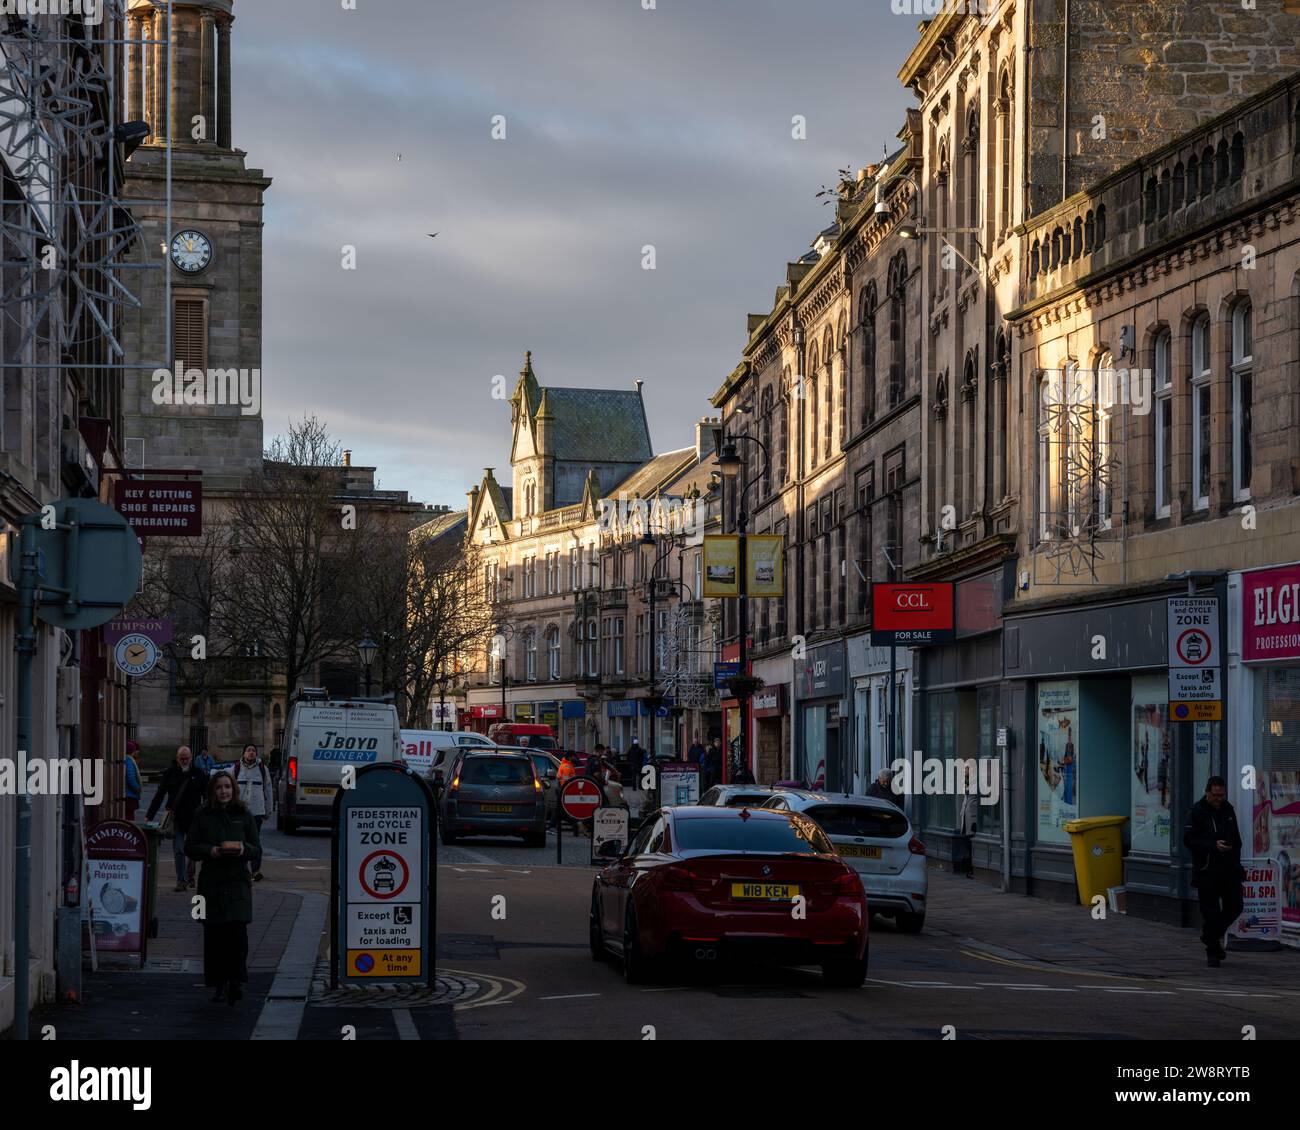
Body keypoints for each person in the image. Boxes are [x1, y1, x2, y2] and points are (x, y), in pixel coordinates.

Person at [185, 772, 260, 1005]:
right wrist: (211, 851)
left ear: (234, 789)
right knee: (214, 936)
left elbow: (256, 848)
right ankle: (218, 984)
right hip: (211, 884)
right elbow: (190, 847)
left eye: (227, 787)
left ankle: (236, 981)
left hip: (238, 882)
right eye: (219, 788)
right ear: (213, 791)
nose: (224, 791)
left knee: (238, 935)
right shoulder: (202, 815)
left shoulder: (243, 814)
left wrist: (242, 850)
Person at [1183, 776, 1244, 967]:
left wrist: (1236, 862)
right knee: (1211, 911)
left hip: (1228, 868)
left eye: (1222, 795)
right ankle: (1212, 951)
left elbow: (1236, 837)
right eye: (1215, 795)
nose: (1219, 799)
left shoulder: (1228, 809)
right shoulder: (1197, 811)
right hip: (1207, 869)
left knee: (1235, 906)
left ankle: (1210, 936)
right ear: (1207, 792)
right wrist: (1212, 845)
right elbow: (1189, 840)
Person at [145, 746, 209, 891]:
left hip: (194, 817)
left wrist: (206, 813)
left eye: (186, 758)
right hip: (177, 817)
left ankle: (190, 875)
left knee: (192, 851)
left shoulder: (198, 773)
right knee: (179, 849)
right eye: (182, 758)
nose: (184, 760)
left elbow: (206, 796)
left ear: (191, 757)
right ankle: (181, 880)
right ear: (177, 757)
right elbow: (159, 795)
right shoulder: (170, 773)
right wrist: (149, 815)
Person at [232, 744, 272, 881]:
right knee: (240, 840)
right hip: (240, 811)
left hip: (256, 811)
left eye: (253, 751)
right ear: (243, 753)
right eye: (248, 750)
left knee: (255, 841)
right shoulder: (236, 769)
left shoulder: (262, 769)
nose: (251, 753)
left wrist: (268, 809)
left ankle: (255, 870)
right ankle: (241, 869)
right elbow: (229, 790)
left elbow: (268, 789)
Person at [956, 771, 978, 878]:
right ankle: (968, 869)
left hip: (973, 818)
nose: (964, 770)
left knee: (970, 845)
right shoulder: (965, 782)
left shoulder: (977, 781)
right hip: (965, 818)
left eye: (966, 768)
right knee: (967, 844)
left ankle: (971, 869)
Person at [123, 742, 142, 822]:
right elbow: (130, 778)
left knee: (128, 816)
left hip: (128, 794)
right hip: (130, 795)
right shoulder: (129, 760)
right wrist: (137, 788)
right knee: (130, 818)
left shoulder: (127, 760)